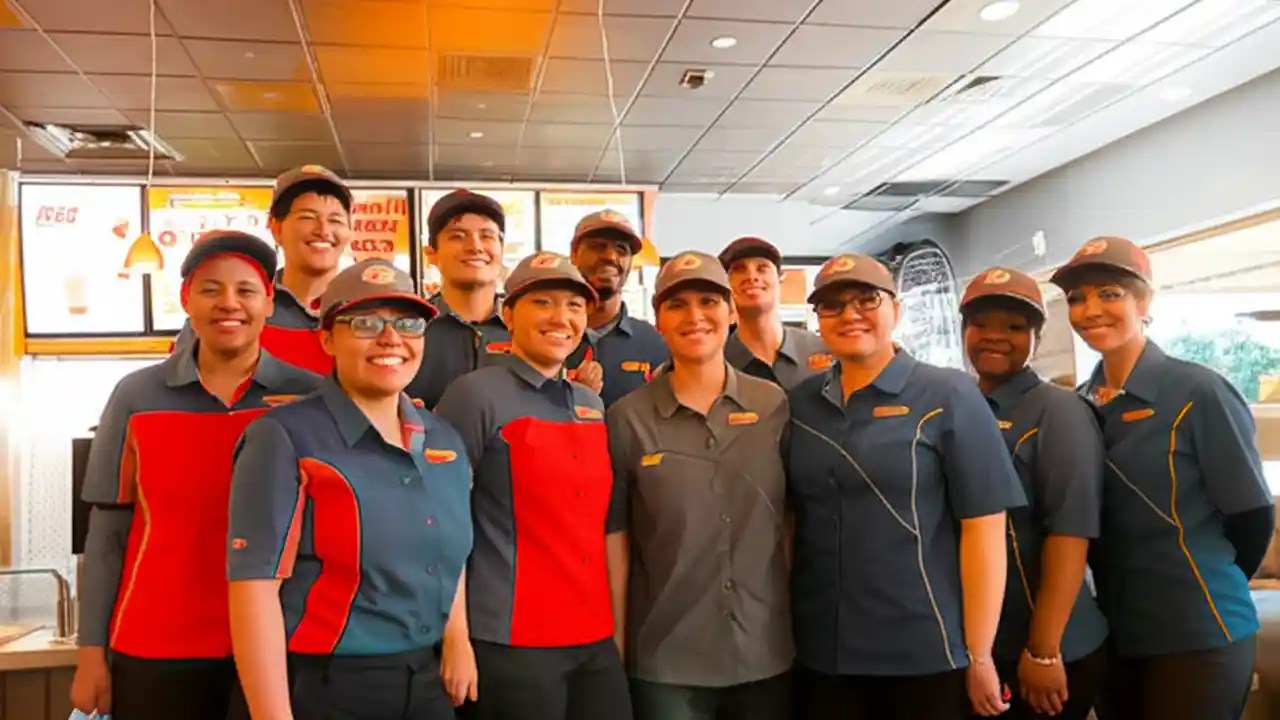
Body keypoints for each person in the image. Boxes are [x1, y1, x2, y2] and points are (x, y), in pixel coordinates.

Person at [71, 231, 322, 720]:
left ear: (269, 303)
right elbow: (107, 533)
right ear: (186, 299)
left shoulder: (309, 397)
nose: (229, 304)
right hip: (155, 646)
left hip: (278, 646)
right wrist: (90, 653)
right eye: (210, 289)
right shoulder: (137, 395)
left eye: (246, 291)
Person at [226, 259, 473, 720]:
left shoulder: (444, 440)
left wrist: (457, 639)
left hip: (425, 683)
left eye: (407, 323)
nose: (390, 338)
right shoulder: (284, 437)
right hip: (327, 687)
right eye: (365, 322)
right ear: (326, 338)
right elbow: (254, 589)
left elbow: (449, 555)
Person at [785, 253, 1026, 720]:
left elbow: (985, 532)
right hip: (821, 654)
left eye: (866, 299)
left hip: (923, 652)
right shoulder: (800, 405)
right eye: (832, 306)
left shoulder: (948, 395)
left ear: (895, 310)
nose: (850, 314)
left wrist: (979, 654)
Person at [1050, 236, 1275, 720]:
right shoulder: (1080, 404)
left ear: (1144, 300)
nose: (1090, 310)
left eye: (1108, 293)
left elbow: (1253, 515)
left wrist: (1202, 581)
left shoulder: (1198, 391)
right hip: (1119, 631)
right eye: (1077, 298)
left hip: (1200, 631)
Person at [433, 252, 631, 720]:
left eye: (574, 306)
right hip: (511, 641)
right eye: (542, 302)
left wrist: (616, 634)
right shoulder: (474, 395)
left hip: (593, 637)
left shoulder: (590, 403)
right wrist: (454, 639)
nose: (561, 318)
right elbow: (441, 522)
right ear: (508, 314)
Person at [606, 251, 793, 720]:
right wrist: (617, 650)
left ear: (731, 312)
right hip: (667, 661)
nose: (695, 317)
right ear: (659, 321)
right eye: (677, 305)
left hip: (765, 652)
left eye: (709, 301)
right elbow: (618, 544)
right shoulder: (626, 419)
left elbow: (793, 523)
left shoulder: (773, 405)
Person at [959, 267, 1110, 720]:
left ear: (1037, 338)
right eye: (981, 324)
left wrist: (1043, 650)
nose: (994, 336)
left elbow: (1070, 532)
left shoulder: (1060, 411)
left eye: (1014, 326)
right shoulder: (958, 405)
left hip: (1046, 645)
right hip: (984, 644)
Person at [174, 165, 353, 375]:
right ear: (276, 227)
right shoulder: (234, 311)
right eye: (307, 217)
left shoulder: (366, 307)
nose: (323, 231)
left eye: (335, 220)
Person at [406, 189, 511, 409]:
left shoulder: (528, 327)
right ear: (431, 254)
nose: (475, 247)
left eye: (487, 236)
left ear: (502, 250)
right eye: (458, 236)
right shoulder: (409, 330)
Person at [565, 210, 668, 407]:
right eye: (597, 247)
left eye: (621, 250)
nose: (611, 256)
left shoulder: (653, 342)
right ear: (574, 254)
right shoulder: (549, 336)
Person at [719, 236, 831, 389]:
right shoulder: (717, 361)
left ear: (780, 278)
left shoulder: (822, 350)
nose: (752, 277)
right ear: (725, 284)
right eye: (739, 269)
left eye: (762, 268)